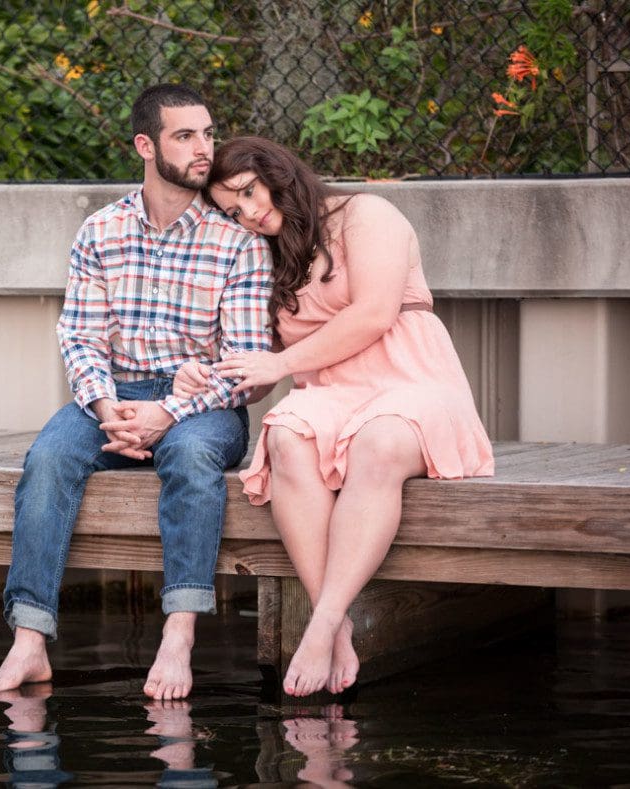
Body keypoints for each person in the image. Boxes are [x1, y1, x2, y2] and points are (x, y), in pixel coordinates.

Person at [0, 85, 272, 700]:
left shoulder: (238, 242)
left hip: (203, 406)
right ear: (146, 145)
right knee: (49, 457)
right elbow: (80, 337)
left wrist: (169, 411)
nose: (203, 149)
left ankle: (179, 633)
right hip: (113, 395)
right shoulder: (101, 230)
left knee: (190, 458)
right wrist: (107, 406)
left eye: (208, 134)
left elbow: (240, 367)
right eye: (185, 136)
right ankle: (29, 641)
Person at [176, 136, 493, 698]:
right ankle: (338, 623)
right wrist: (207, 377)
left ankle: (319, 624)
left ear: (277, 173)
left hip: (411, 378)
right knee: (285, 434)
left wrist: (280, 361)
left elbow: (373, 315)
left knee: (377, 440)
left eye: (250, 192)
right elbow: (261, 372)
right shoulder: (263, 258)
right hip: (332, 393)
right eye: (233, 209)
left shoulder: (364, 215)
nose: (248, 213)